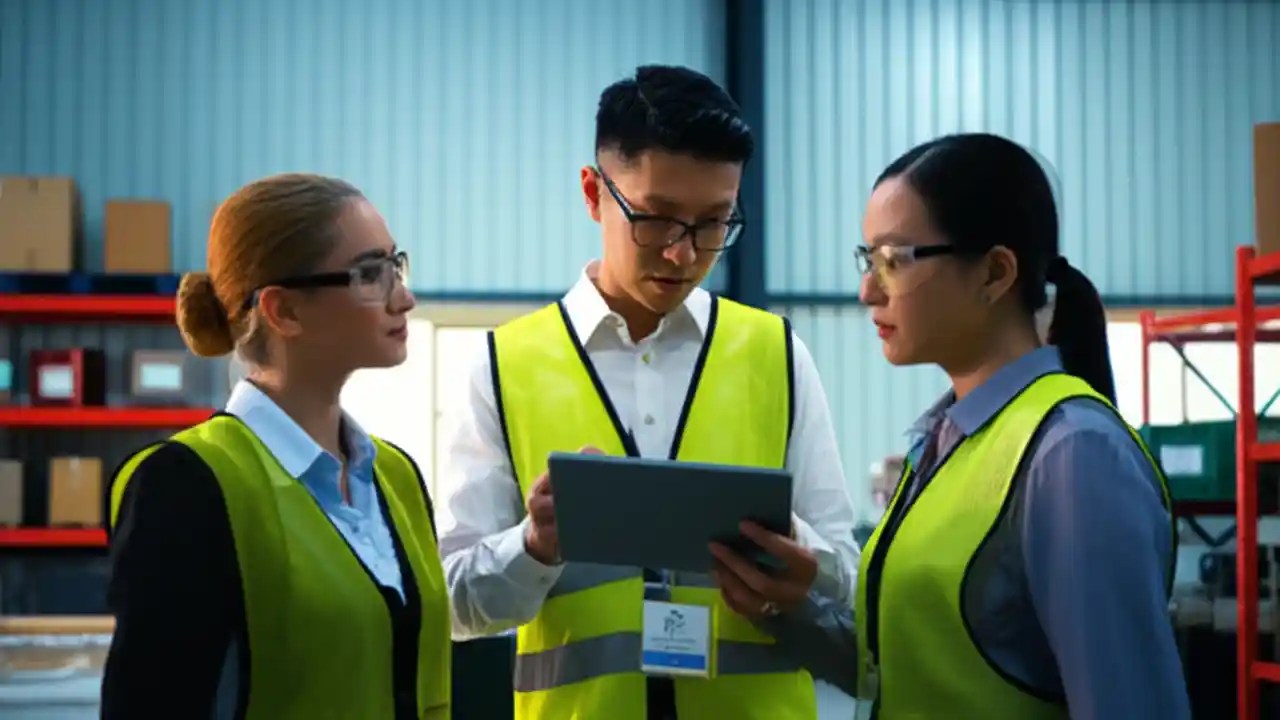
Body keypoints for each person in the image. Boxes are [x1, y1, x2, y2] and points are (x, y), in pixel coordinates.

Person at [708, 133, 1192, 719]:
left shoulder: (1072, 455)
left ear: (994, 272)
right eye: (868, 260)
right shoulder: (944, 443)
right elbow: (909, 671)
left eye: (894, 260)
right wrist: (788, 607)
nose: (867, 290)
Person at [434, 65, 859, 720]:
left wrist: (794, 558)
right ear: (593, 193)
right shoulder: (501, 366)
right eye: (656, 219)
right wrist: (534, 546)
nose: (683, 254)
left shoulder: (777, 355)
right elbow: (457, 608)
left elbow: (847, 576)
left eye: (714, 223)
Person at [101, 173, 451, 719]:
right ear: (283, 311)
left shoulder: (396, 476)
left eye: (395, 266)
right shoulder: (187, 484)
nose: (403, 298)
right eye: (370, 274)